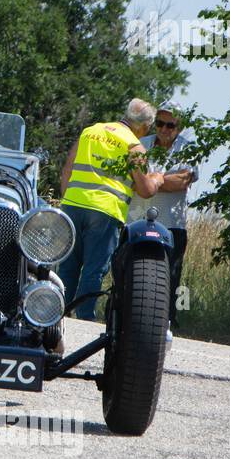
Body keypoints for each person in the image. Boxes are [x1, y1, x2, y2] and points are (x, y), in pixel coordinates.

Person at [56, 98, 164, 319]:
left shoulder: (90, 131)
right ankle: (85, 318)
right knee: (94, 270)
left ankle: (57, 315)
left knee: (67, 267)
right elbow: (145, 189)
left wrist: (67, 200)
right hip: (105, 211)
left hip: (73, 205)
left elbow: (68, 168)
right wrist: (158, 179)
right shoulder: (134, 146)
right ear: (144, 126)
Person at [127, 102, 197, 327]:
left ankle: (166, 321)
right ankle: (125, 316)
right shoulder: (140, 145)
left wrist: (151, 181)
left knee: (170, 275)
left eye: (170, 125)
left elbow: (183, 181)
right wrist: (164, 180)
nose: (164, 129)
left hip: (172, 224)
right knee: (130, 270)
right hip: (137, 221)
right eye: (160, 123)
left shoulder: (188, 148)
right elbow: (130, 180)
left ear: (179, 126)